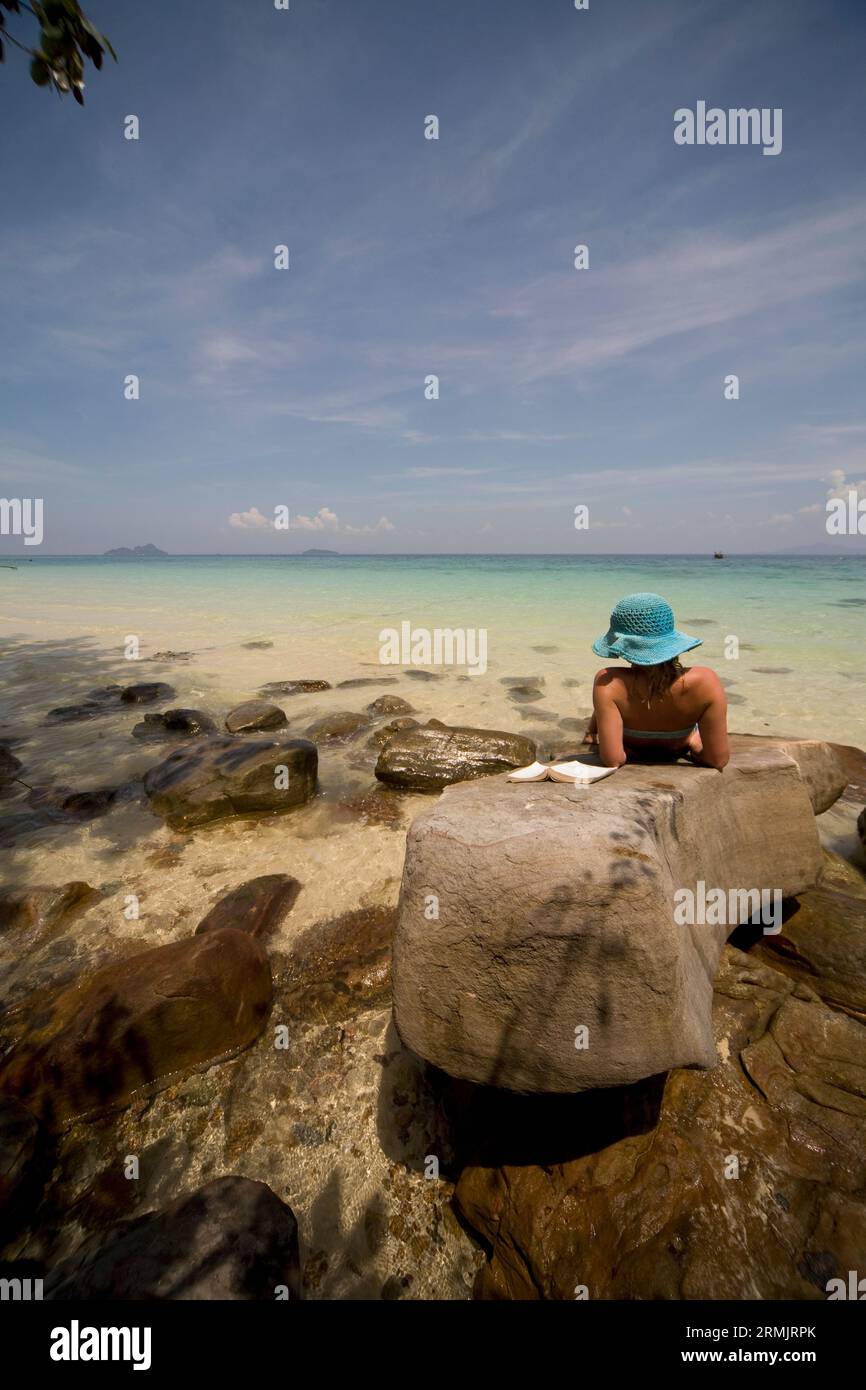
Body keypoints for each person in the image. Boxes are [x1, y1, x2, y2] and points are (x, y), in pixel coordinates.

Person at [584, 592, 729, 770]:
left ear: (621, 643)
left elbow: (613, 760)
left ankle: (590, 732)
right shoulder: (706, 681)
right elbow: (718, 760)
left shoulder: (609, 682)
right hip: (678, 746)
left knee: (604, 699)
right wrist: (694, 743)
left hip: (631, 744)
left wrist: (630, 752)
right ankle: (591, 731)